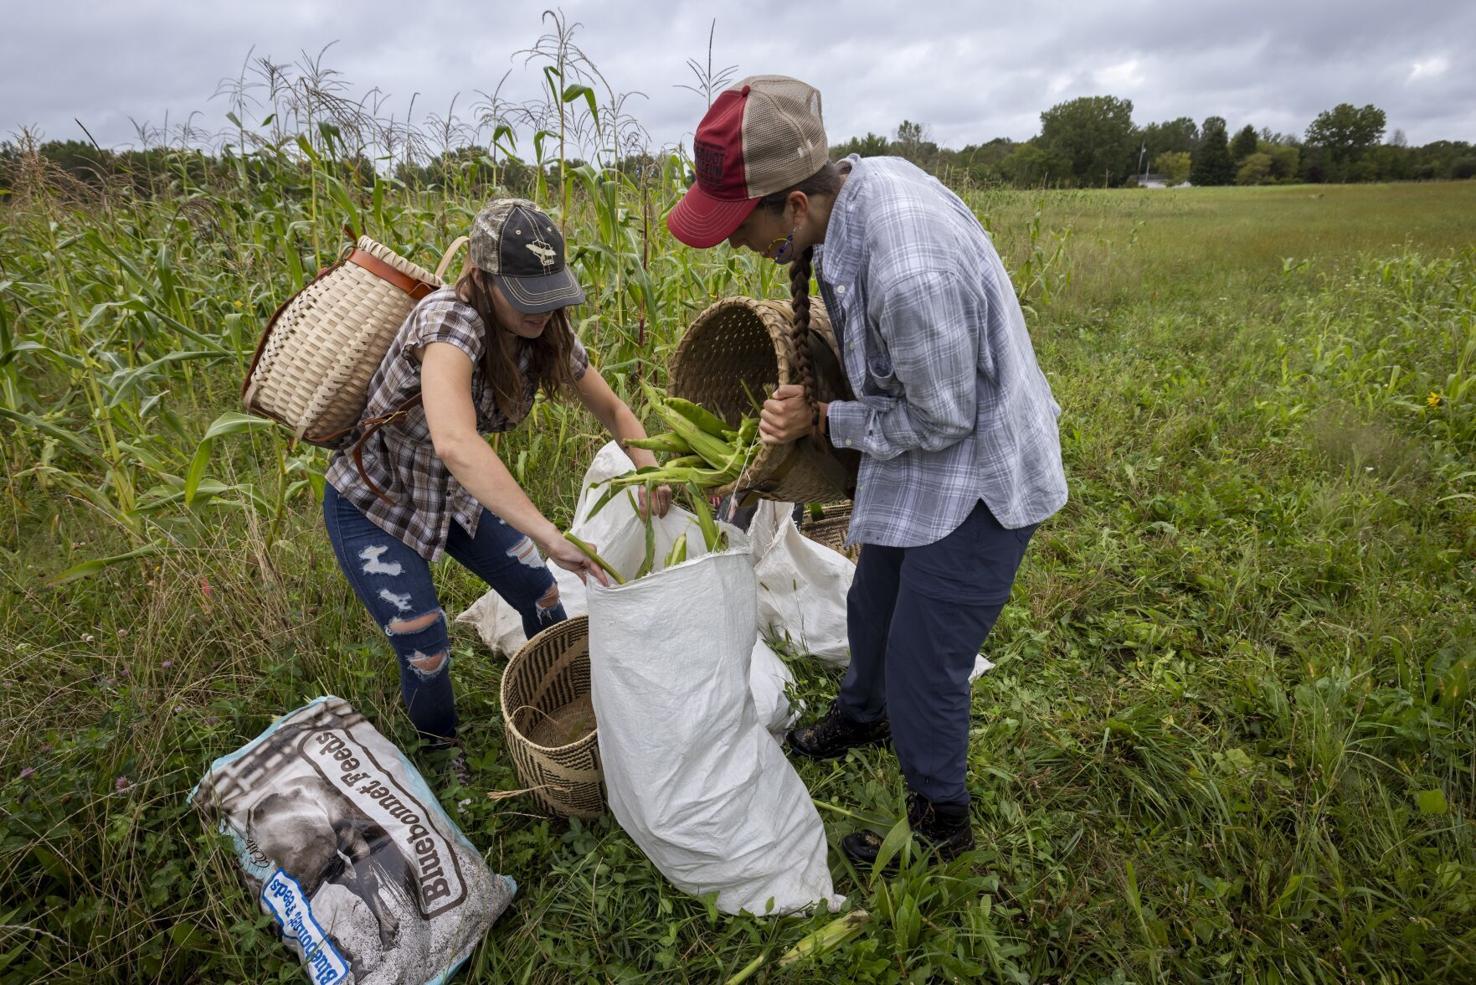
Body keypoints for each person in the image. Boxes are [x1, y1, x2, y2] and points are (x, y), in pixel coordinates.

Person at [667, 76, 1067, 866]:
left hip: (980, 470)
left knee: (928, 659)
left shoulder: (908, 267)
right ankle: (865, 714)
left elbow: (943, 418)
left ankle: (939, 823)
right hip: (927, 454)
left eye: (741, 230)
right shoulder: (849, 193)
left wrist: (823, 422)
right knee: (874, 601)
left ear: (795, 206)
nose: (740, 247)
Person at [323, 199, 670, 771]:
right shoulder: (448, 322)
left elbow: (610, 405)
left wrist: (648, 465)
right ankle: (441, 753)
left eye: (549, 290)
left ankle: (562, 707)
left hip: (454, 501)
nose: (542, 310)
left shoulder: (544, 332)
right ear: (482, 279)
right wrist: (547, 532)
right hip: (376, 503)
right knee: (425, 643)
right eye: (526, 295)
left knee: (543, 594)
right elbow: (456, 443)